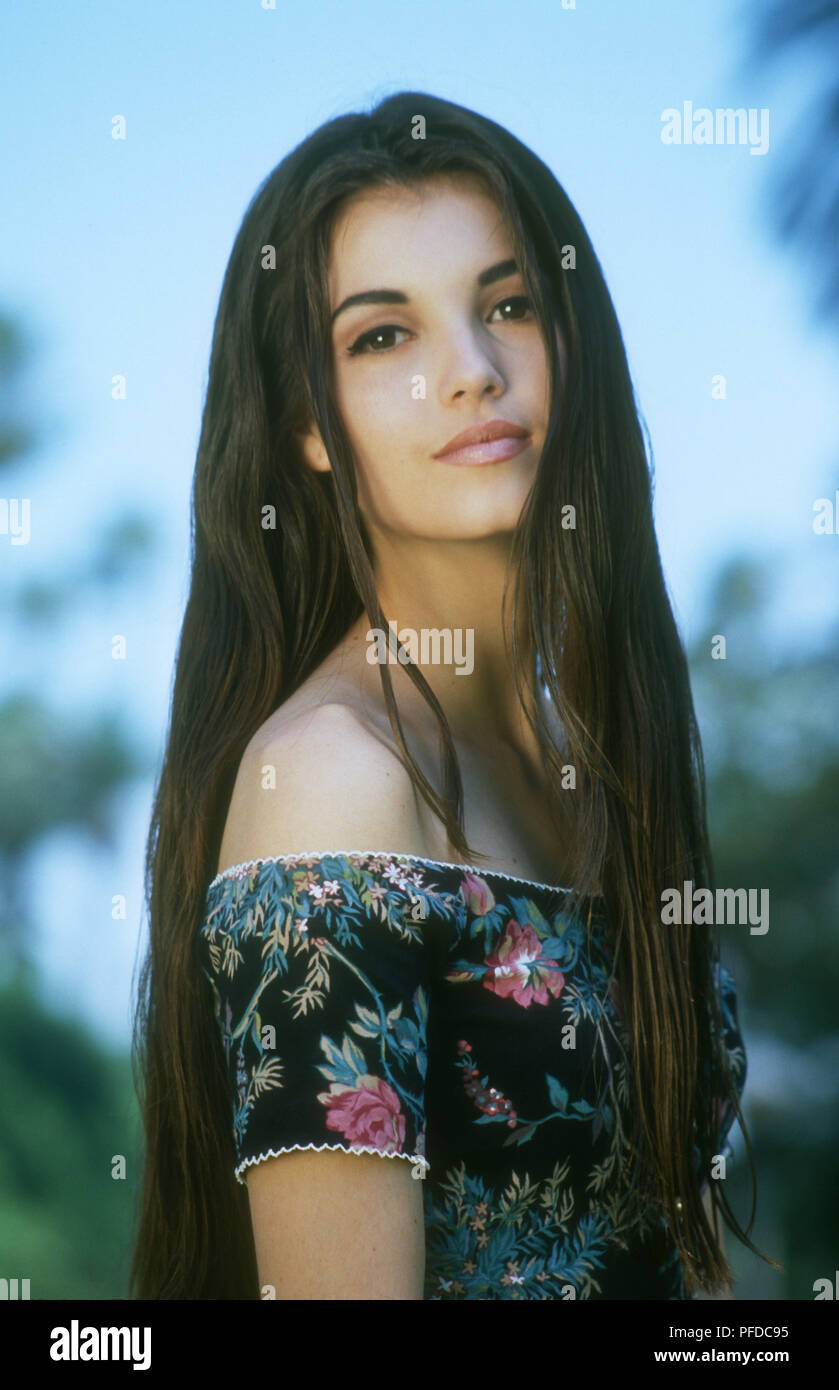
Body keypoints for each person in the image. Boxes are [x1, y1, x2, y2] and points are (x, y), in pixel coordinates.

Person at [129, 90, 778, 1301]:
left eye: (508, 305)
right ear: (304, 429)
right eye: (384, 337)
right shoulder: (335, 777)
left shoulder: (581, 757)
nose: (472, 373)